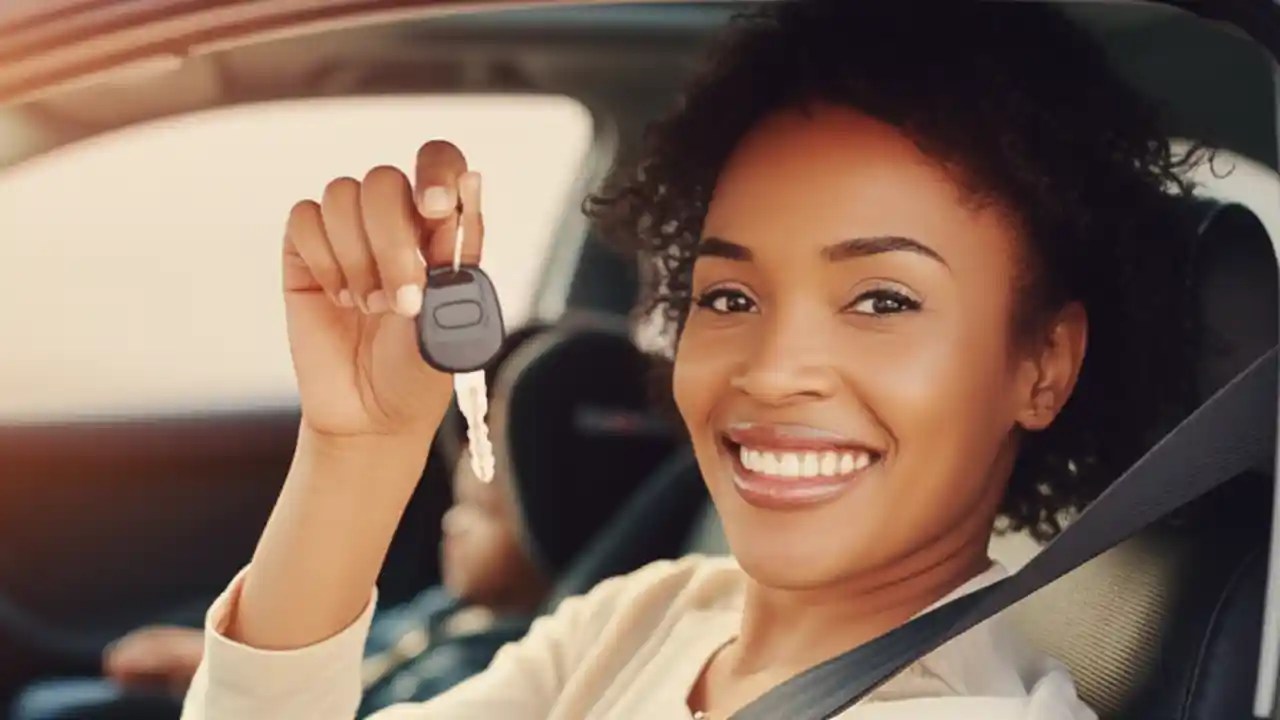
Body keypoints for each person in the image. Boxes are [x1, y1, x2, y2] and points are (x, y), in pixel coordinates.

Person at [177, 0, 1208, 717]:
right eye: (729, 296)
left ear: (1042, 363)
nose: (769, 366)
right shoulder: (651, 614)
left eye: (881, 298)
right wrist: (357, 446)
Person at [13, 323, 673, 720]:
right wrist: (206, 661)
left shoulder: (518, 666)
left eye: (483, 512)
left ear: (564, 514)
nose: (451, 515)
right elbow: (356, 658)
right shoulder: (446, 609)